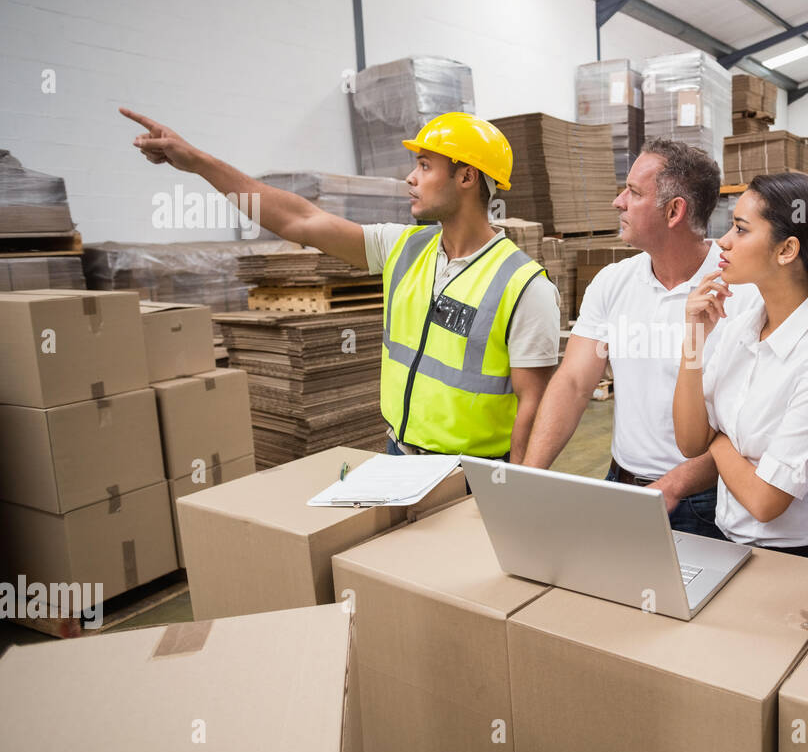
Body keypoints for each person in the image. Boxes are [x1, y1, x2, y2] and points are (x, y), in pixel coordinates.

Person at [121, 108, 560, 461]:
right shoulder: (404, 249)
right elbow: (300, 219)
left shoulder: (523, 286)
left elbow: (533, 409)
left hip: (474, 477)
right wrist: (198, 163)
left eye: (425, 166)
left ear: (466, 177)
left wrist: (512, 499)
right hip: (397, 456)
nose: (410, 177)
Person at [523, 139, 758, 538]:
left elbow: (749, 429)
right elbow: (575, 382)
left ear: (673, 211)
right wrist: (528, 477)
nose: (618, 202)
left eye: (632, 192)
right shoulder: (614, 282)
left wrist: (674, 485)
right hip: (623, 483)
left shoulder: (743, 291)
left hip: (706, 501)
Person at [673, 172, 808, 562]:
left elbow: (765, 501)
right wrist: (694, 339)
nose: (722, 241)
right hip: (730, 541)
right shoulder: (740, 324)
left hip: (804, 557)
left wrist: (720, 439)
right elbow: (690, 442)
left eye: (741, 229)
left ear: (786, 250)